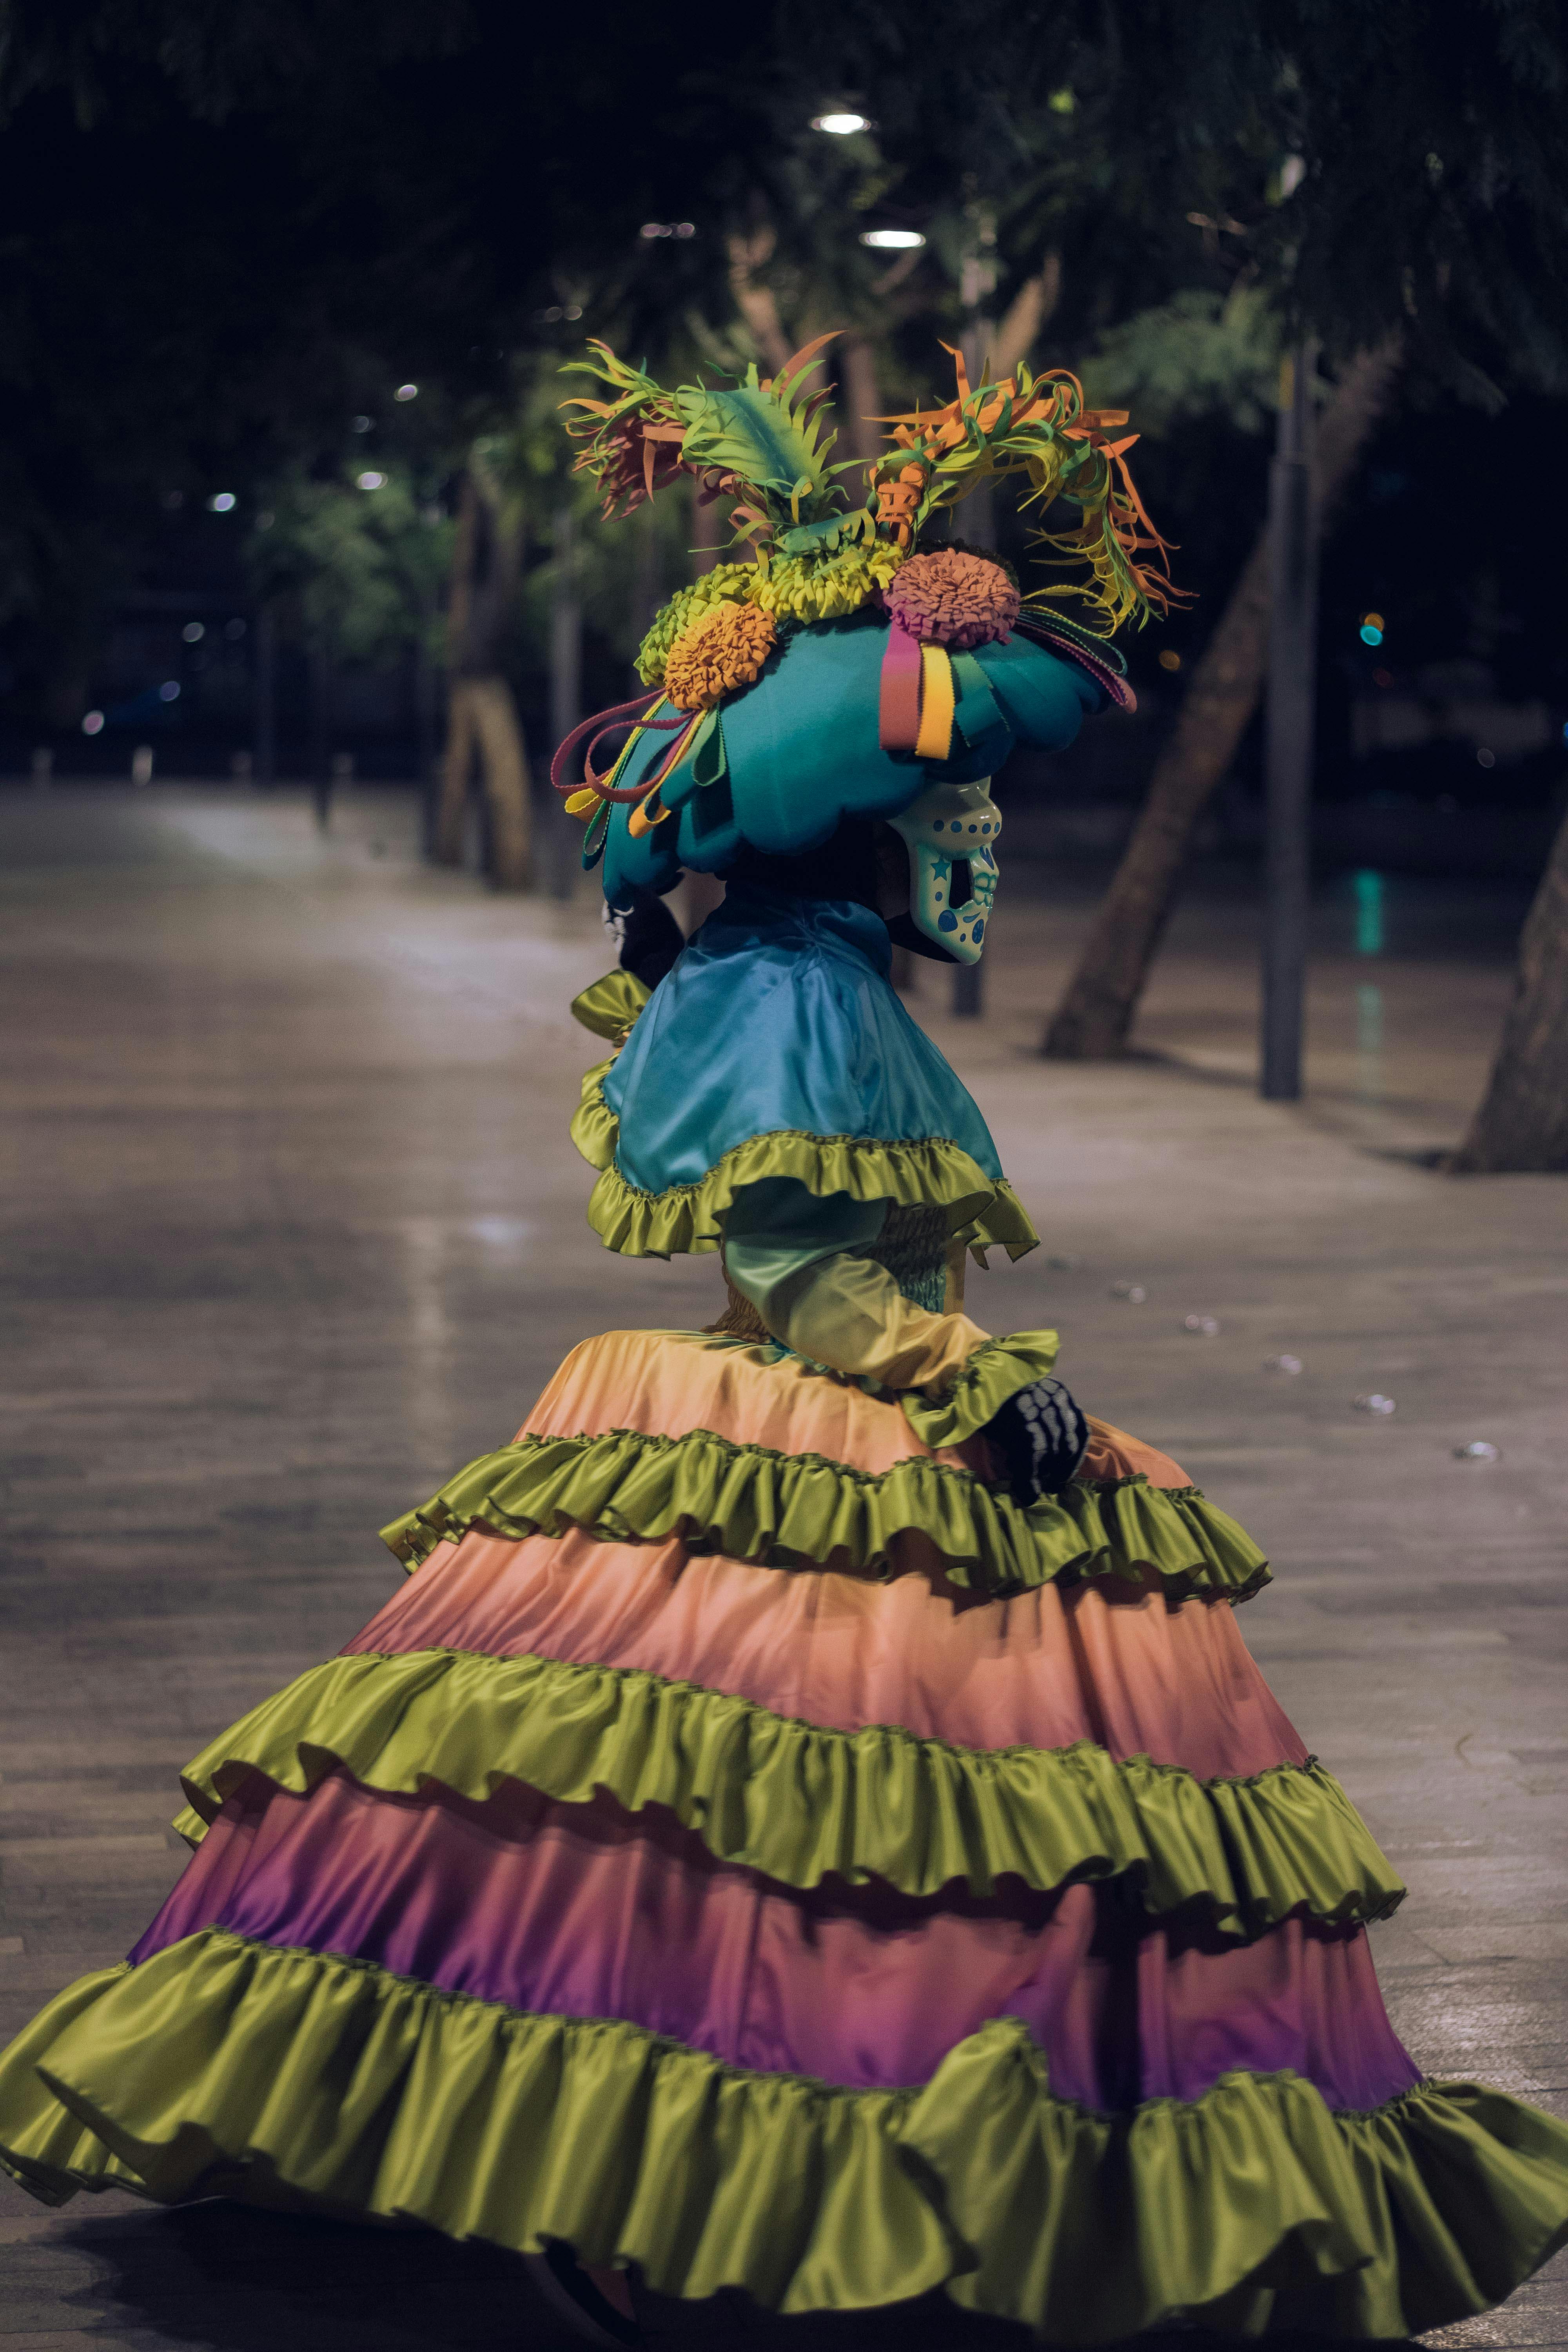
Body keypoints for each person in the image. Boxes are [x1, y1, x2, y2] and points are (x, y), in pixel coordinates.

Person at [0, 337, 1563, 2345]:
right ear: (856, 826)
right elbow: (808, 1266)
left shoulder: (785, 965)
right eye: (940, 797)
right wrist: (974, 1385)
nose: (965, 831)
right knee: (791, 1835)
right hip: (839, 1410)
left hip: (845, 1399)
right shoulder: (784, 996)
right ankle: (721, 2192)